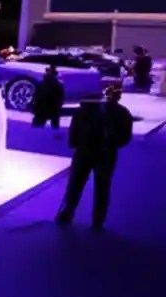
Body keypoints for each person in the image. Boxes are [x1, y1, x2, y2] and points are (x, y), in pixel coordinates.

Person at [56, 85, 133, 230]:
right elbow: (125, 137)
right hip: (104, 154)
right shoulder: (122, 112)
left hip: (84, 152)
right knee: (101, 187)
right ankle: (97, 220)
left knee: (76, 184)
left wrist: (74, 144)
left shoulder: (84, 110)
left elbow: (74, 129)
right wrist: (112, 144)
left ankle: (68, 211)